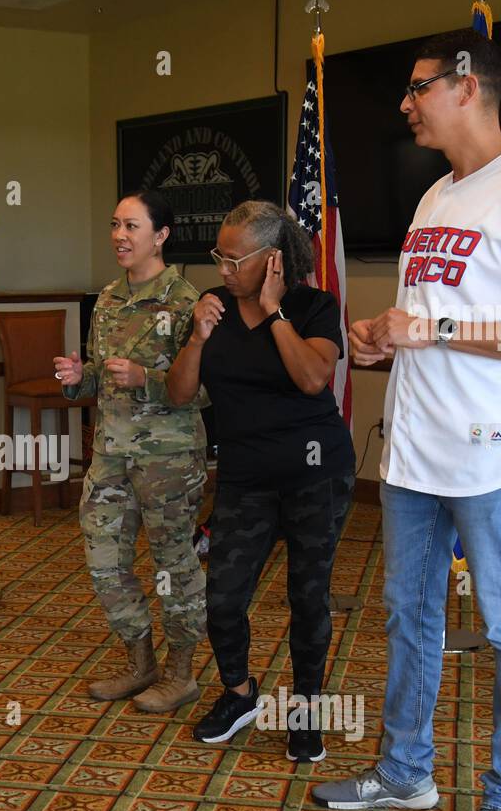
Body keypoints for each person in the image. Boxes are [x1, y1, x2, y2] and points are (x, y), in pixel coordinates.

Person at [312, 29, 501, 811]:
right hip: (414, 452)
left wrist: (429, 326)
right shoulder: (434, 197)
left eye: (418, 87)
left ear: (467, 86)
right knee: (410, 617)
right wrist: (384, 345)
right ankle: (406, 773)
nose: (405, 104)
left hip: (492, 457)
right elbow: (435, 327)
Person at [166, 200, 355, 759]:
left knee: (307, 597)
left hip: (315, 475)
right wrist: (196, 338)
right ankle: (240, 693)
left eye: (233, 258)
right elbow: (179, 395)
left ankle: (306, 711)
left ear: (272, 260)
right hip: (246, 479)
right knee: (222, 597)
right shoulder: (212, 309)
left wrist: (275, 313)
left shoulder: (314, 306)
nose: (222, 269)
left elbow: (313, 378)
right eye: (217, 256)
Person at [54, 190, 206, 713]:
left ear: (160, 235)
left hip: (168, 458)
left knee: (173, 563)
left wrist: (148, 379)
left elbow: (206, 389)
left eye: (132, 226)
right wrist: (80, 377)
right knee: (103, 560)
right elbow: (100, 372)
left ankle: (181, 672)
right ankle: (140, 663)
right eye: (115, 225)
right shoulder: (107, 299)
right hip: (111, 455)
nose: (120, 236)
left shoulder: (188, 302)